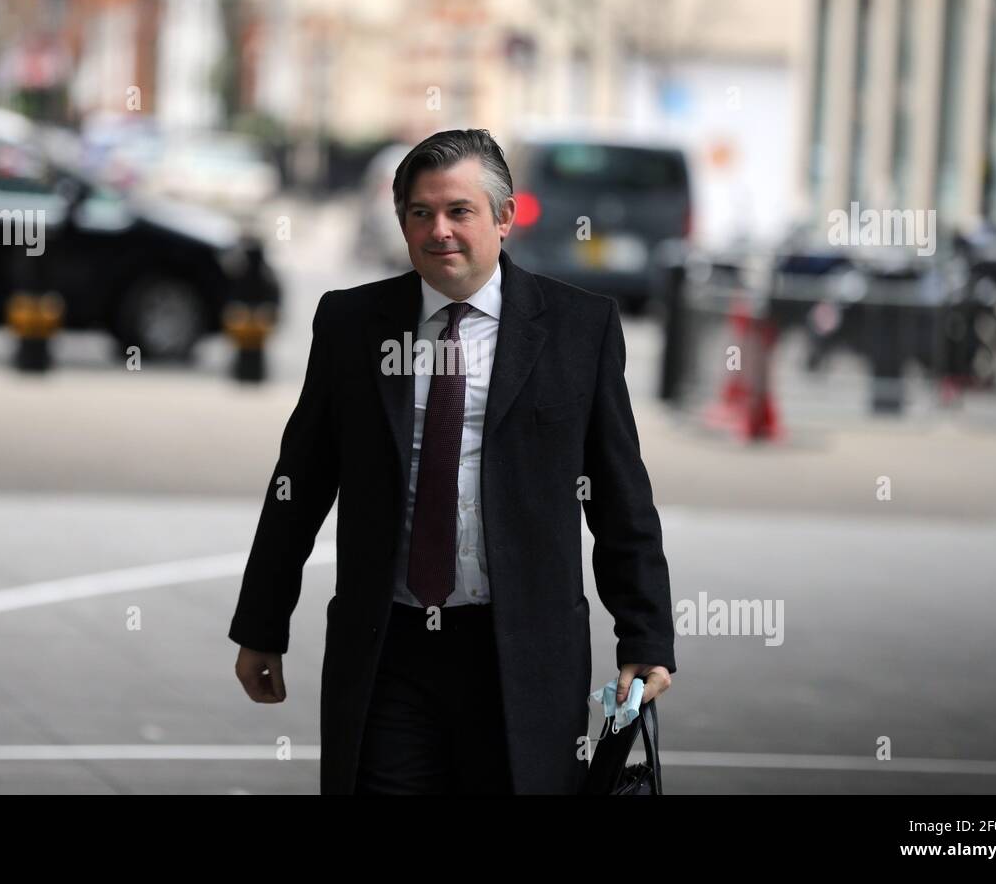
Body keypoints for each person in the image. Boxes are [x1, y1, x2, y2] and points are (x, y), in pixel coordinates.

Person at [230, 129, 675, 794]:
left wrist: (645, 636)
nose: (439, 231)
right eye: (420, 213)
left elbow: (618, 497)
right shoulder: (352, 324)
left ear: (504, 216)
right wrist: (263, 622)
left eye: (459, 211)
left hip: (523, 655)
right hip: (389, 653)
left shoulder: (580, 329)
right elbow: (299, 483)